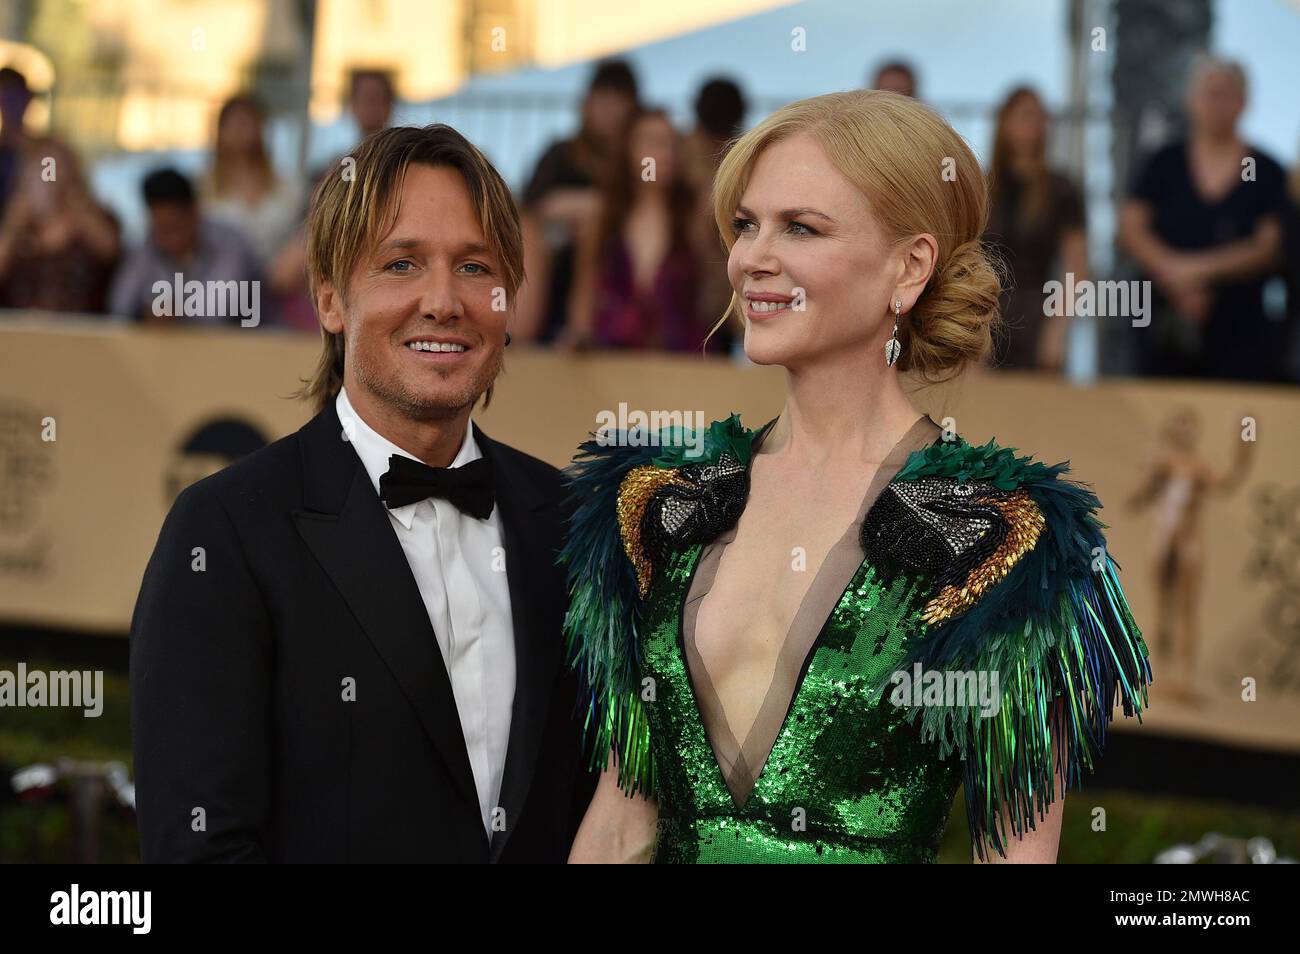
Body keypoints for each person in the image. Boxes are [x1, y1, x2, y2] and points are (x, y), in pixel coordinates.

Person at [562, 90, 1152, 864]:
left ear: (908, 267)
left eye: (800, 227)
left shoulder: (1006, 541)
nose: (752, 258)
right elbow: (620, 823)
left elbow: (1013, 857)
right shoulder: (661, 504)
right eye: (747, 224)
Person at [130, 124, 596, 862]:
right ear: (330, 300)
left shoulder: (572, 524)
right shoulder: (226, 530)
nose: (443, 301)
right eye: (402, 264)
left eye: (475, 267)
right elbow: (202, 848)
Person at [1118, 56, 1288, 382]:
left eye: (1227, 94)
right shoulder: (1162, 161)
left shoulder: (1266, 171)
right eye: (1210, 92)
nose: (1217, 103)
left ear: (1243, 102)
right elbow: (1130, 228)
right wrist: (1172, 273)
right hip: (1160, 326)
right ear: (1191, 99)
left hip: (1241, 334)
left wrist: (1193, 271)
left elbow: (1270, 247)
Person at [563, 107, 708, 351]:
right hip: (610, 357)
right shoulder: (602, 216)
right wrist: (578, 337)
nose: (664, 153)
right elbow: (584, 293)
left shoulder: (696, 215)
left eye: (672, 144)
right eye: (652, 142)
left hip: (682, 360)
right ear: (628, 149)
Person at [515, 59, 639, 343]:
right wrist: (582, 206)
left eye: (619, 101)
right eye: (603, 100)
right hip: (557, 261)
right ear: (587, 103)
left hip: (615, 267)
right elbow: (531, 208)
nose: (610, 111)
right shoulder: (563, 153)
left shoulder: (635, 163)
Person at [983, 86, 1088, 372]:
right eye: (1022, 116)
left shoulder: (1062, 189)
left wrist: (1058, 330)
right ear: (1004, 123)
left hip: (1039, 314)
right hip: (986, 313)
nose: (1029, 125)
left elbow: (1076, 269)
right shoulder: (982, 187)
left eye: (1036, 116)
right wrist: (969, 329)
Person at [108, 167, 262, 324]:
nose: (173, 240)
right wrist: (147, 312)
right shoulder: (144, 247)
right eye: (163, 230)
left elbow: (219, 313)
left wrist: (176, 310)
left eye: (177, 228)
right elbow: (120, 307)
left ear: (195, 211)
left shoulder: (231, 244)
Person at [0, 137, 120, 314]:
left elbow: (111, 252)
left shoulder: (93, 218)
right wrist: (13, 225)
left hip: (80, 331)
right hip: (21, 331)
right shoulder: (16, 224)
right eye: (39, 168)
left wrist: (78, 204)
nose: (49, 179)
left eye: (56, 167)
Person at [200, 94, 304, 266]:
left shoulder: (289, 187)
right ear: (220, 131)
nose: (241, 130)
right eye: (234, 123)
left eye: (247, 122)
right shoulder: (202, 190)